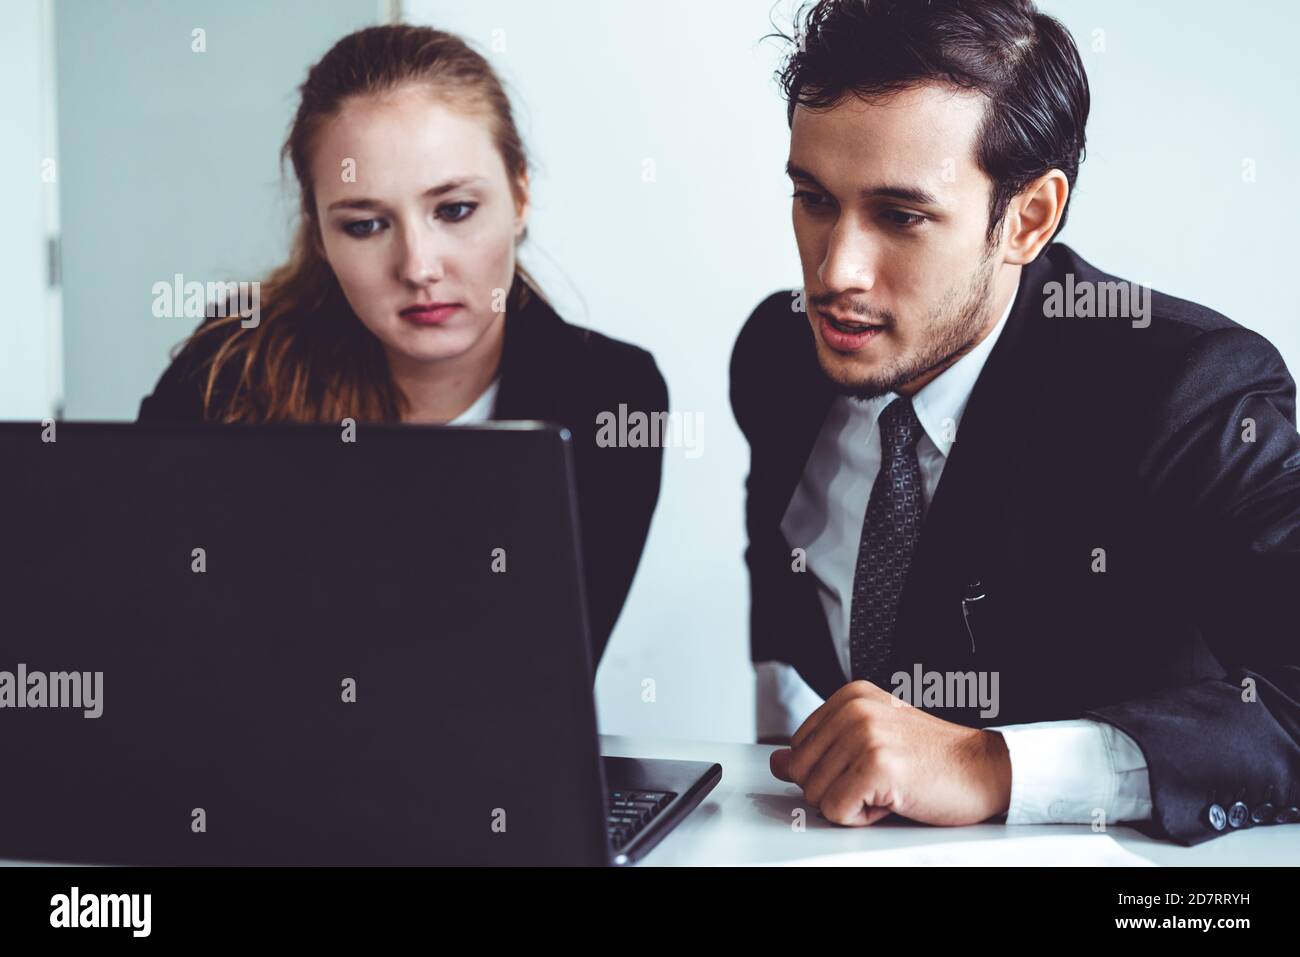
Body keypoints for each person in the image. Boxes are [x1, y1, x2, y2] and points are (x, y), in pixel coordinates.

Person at [731, 0, 1300, 844]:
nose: (835, 270)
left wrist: (990, 763)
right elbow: (788, 609)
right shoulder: (779, 356)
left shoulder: (1185, 388)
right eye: (814, 198)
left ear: (1028, 218)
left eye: (901, 216)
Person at [138, 24, 666, 665]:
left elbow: (533, 678)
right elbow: (150, 641)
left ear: (520, 195)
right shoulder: (225, 369)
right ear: (320, 231)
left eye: (454, 210)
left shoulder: (610, 397)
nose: (418, 266)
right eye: (365, 224)